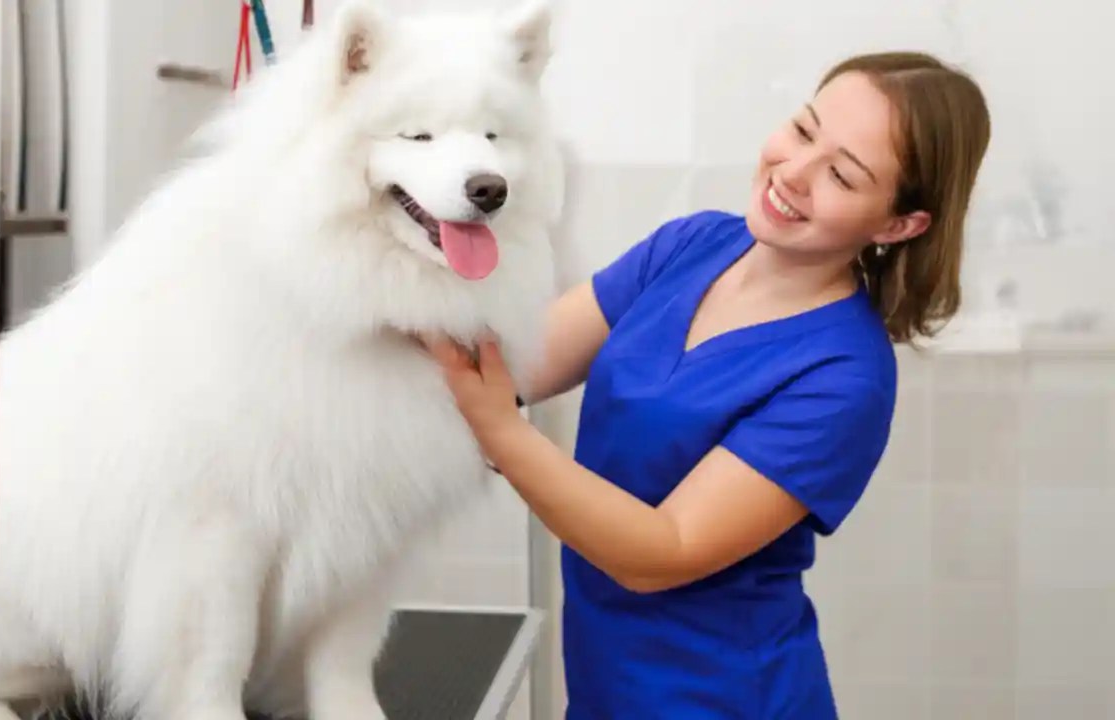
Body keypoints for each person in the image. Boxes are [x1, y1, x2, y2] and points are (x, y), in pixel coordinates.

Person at [421, 51, 991, 718]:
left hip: (722, 698)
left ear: (898, 225)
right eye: (804, 132)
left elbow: (662, 552)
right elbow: (514, 362)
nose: (794, 173)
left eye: (841, 174)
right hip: (607, 689)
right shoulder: (693, 245)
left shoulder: (845, 378)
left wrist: (501, 431)